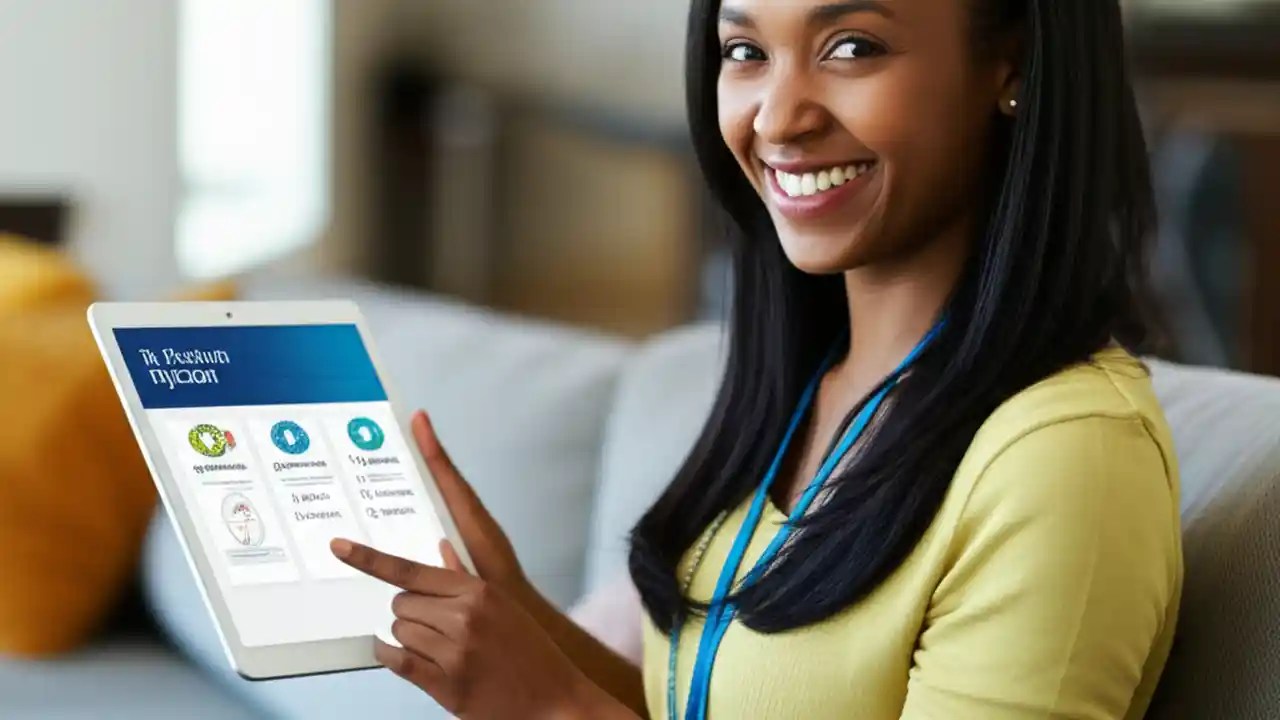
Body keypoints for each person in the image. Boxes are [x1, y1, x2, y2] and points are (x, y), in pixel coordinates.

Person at [329, 0, 1183, 717]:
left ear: (1013, 68)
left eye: (852, 46)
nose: (777, 117)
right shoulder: (810, 387)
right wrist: (525, 623)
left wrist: (551, 703)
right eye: (745, 51)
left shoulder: (1070, 455)